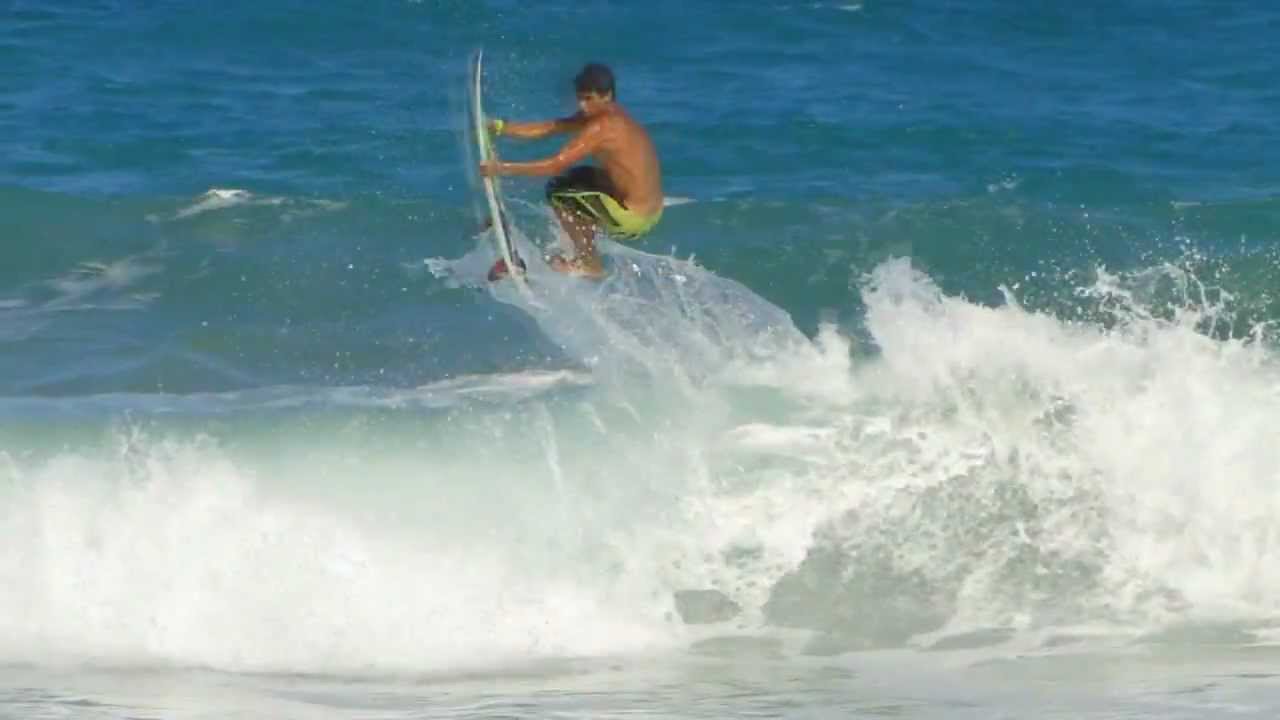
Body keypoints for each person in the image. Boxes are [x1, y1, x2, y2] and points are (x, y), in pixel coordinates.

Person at [480, 63, 663, 279]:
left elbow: (554, 165)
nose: (582, 106)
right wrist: (501, 127)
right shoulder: (611, 115)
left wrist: (501, 168)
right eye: (580, 98)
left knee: (558, 191)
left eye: (588, 98)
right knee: (579, 177)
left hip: (632, 218)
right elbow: (551, 127)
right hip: (650, 210)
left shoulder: (602, 127)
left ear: (607, 95)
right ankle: (585, 235)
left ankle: (590, 264)